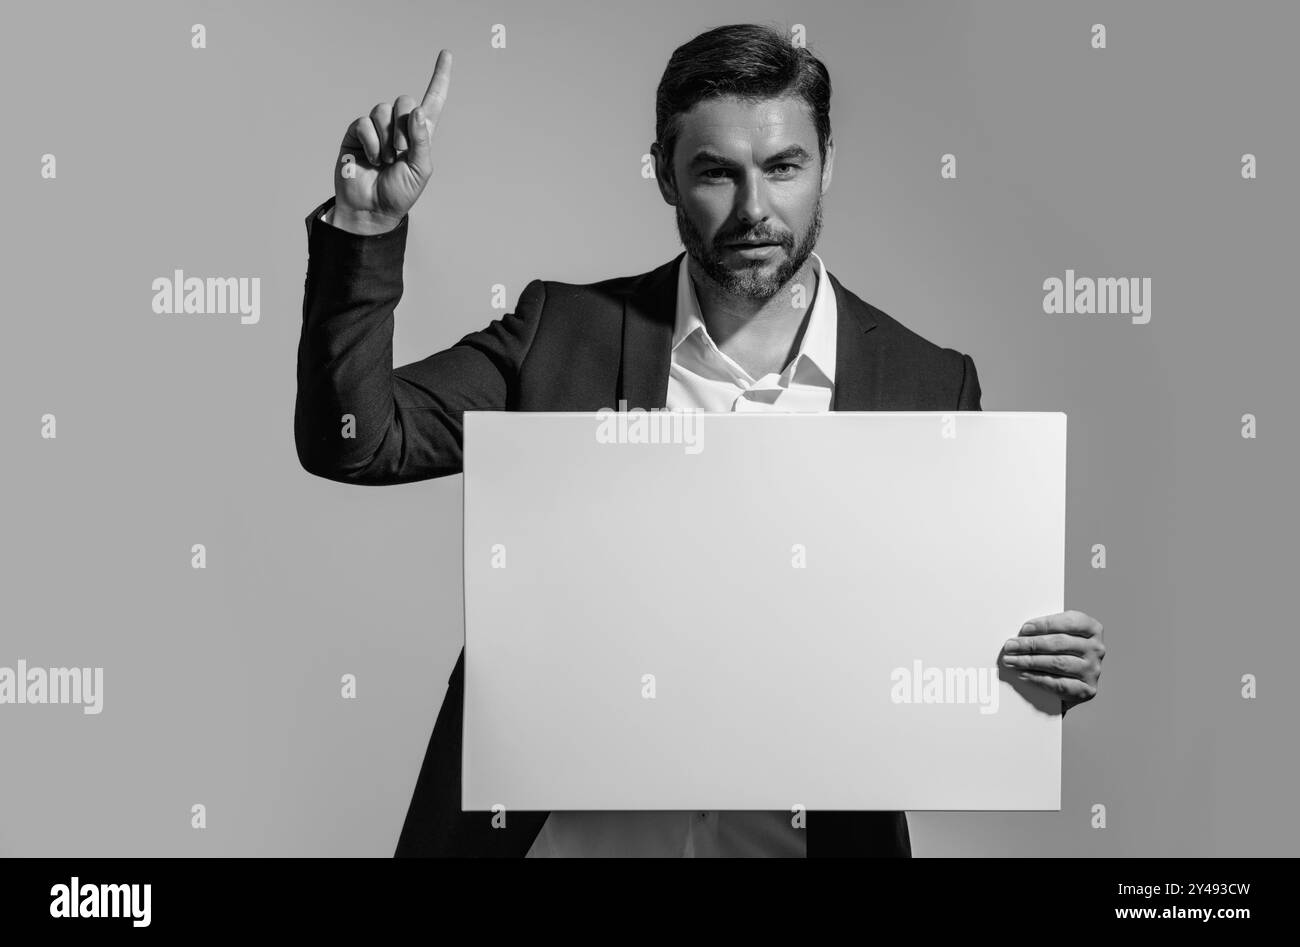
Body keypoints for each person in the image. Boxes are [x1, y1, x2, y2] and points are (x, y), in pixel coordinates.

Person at [295, 24, 1106, 857]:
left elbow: (945, 642)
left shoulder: (929, 386)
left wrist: (1035, 668)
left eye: (784, 166)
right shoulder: (561, 335)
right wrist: (365, 229)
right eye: (718, 172)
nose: (755, 209)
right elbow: (356, 441)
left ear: (827, 161)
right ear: (665, 175)